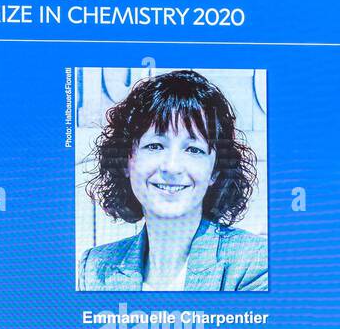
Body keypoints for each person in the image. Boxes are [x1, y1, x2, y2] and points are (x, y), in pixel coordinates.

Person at [79, 69, 267, 291]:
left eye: (194, 149)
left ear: (215, 171)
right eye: (155, 146)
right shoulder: (94, 268)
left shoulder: (256, 261)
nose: (172, 167)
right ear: (125, 160)